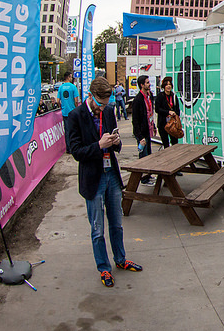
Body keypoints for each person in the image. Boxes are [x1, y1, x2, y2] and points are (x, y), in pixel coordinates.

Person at [68, 76, 142, 287]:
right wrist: (99, 146)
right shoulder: (76, 116)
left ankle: (120, 259)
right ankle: (103, 267)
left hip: (111, 174)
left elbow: (114, 143)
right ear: (90, 96)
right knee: (97, 228)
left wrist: (116, 142)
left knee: (116, 224)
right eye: (100, 104)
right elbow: (76, 152)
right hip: (93, 177)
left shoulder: (109, 111)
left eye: (106, 104)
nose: (103, 108)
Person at [132, 74, 157, 186]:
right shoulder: (138, 100)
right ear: (142, 85)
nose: (149, 84)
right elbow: (135, 120)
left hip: (148, 129)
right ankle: (143, 179)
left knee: (149, 155)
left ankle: (148, 175)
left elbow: (150, 113)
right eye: (147, 82)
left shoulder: (149, 96)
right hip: (141, 132)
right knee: (143, 156)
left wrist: (154, 126)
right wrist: (139, 136)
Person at [56, 71, 80, 153]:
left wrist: (61, 107)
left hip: (65, 112)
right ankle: (74, 147)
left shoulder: (61, 87)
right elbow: (76, 100)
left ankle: (68, 148)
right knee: (74, 130)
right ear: (69, 77)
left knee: (67, 130)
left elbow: (58, 100)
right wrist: (76, 108)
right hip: (72, 111)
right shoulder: (73, 87)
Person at [155, 76, 180, 149]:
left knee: (175, 143)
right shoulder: (160, 96)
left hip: (173, 124)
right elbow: (157, 109)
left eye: (169, 84)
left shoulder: (174, 96)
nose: (168, 86)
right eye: (166, 85)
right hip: (163, 123)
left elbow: (177, 110)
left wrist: (175, 115)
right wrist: (168, 112)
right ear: (164, 86)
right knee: (166, 144)